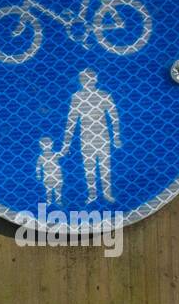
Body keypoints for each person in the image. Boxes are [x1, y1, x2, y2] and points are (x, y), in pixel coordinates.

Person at [60, 69, 122, 204]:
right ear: (81, 82)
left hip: (103, 137)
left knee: (105, 166)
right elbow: (71, 121)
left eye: (90, 79)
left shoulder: (104, 95)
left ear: (95, 80)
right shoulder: (77, 97)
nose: (88, 82)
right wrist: (66, 145)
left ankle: (107, 193)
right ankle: (92, 195)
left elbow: (114, 117)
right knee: (89, 167)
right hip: (86, 139)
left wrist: (116, 137)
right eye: (85, 79)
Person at [35, 136, 65, 205]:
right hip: (48, 178)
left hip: (58, 176)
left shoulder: (55, 154)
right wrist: (38, 175)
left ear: (52, 144)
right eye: (44, 145)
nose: (47, 147)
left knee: (58, 190)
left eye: (48, 144)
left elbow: (62, 154)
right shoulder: (41, 157)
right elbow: (38, 167)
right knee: (48, 190)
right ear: (41, 146)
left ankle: (58, 201)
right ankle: (49, 202)